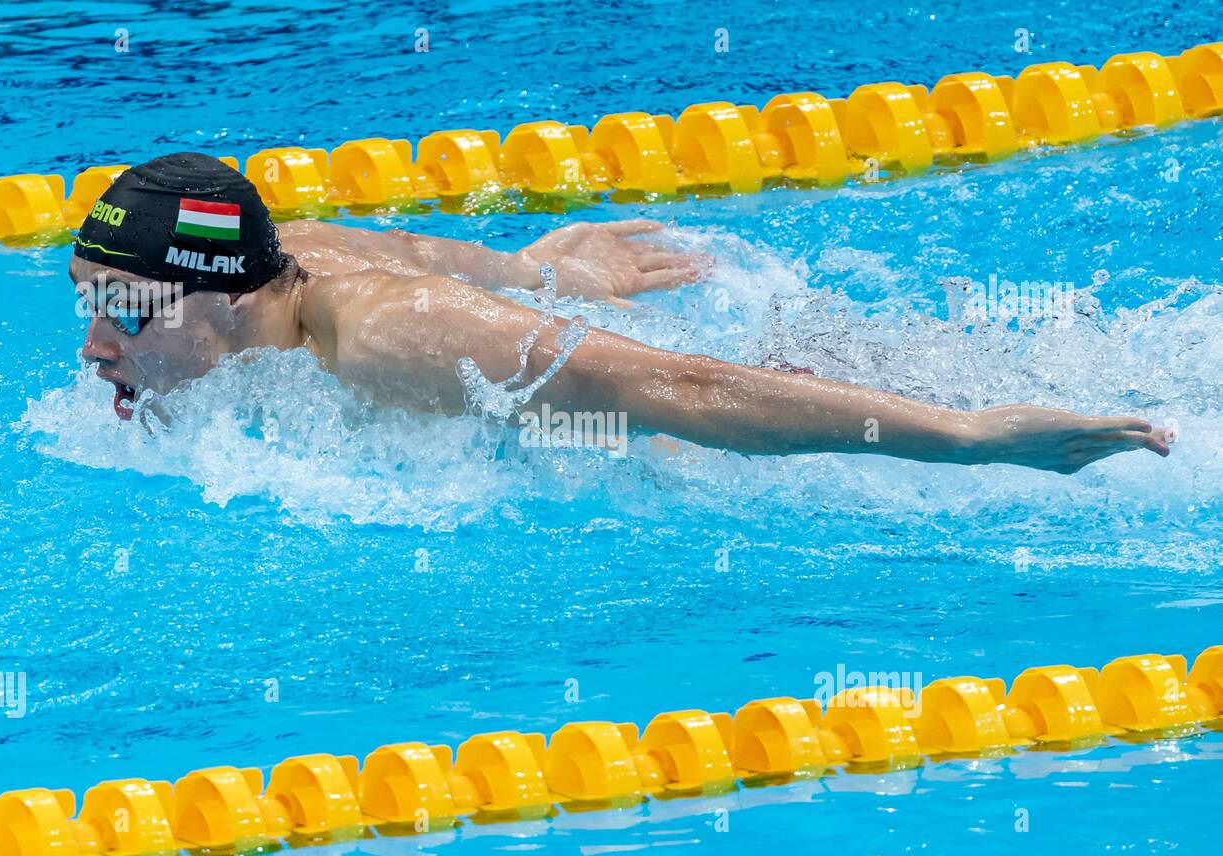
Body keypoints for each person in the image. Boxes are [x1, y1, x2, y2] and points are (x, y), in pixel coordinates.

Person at [71, 152, 1171, 474]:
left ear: (216, 295)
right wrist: (541, 263)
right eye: (90, 305)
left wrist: (964, 439)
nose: (94, 345)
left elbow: (672, 388)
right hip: (623, 369)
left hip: (730, 394)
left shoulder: (391, 341)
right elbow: (407, 243)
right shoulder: (281, 267)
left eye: (123, 309)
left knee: (946, 388)